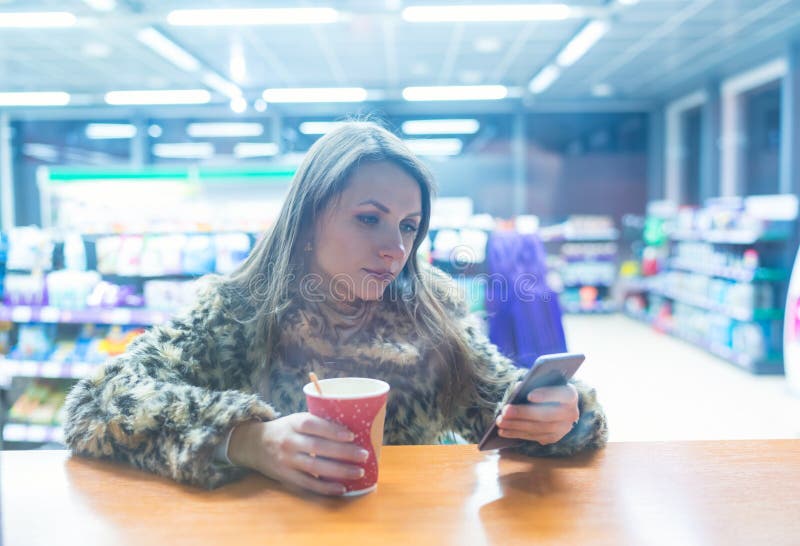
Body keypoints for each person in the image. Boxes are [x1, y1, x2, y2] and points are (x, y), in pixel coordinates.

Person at [64, 121, 607, 496]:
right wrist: (249, 441)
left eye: (409, 226)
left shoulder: (430, 312)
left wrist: (560, 416)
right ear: (309, 218)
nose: (396, 246)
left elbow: (501, 406)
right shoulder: (237, 312)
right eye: (368, 218)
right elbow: (95, 405)